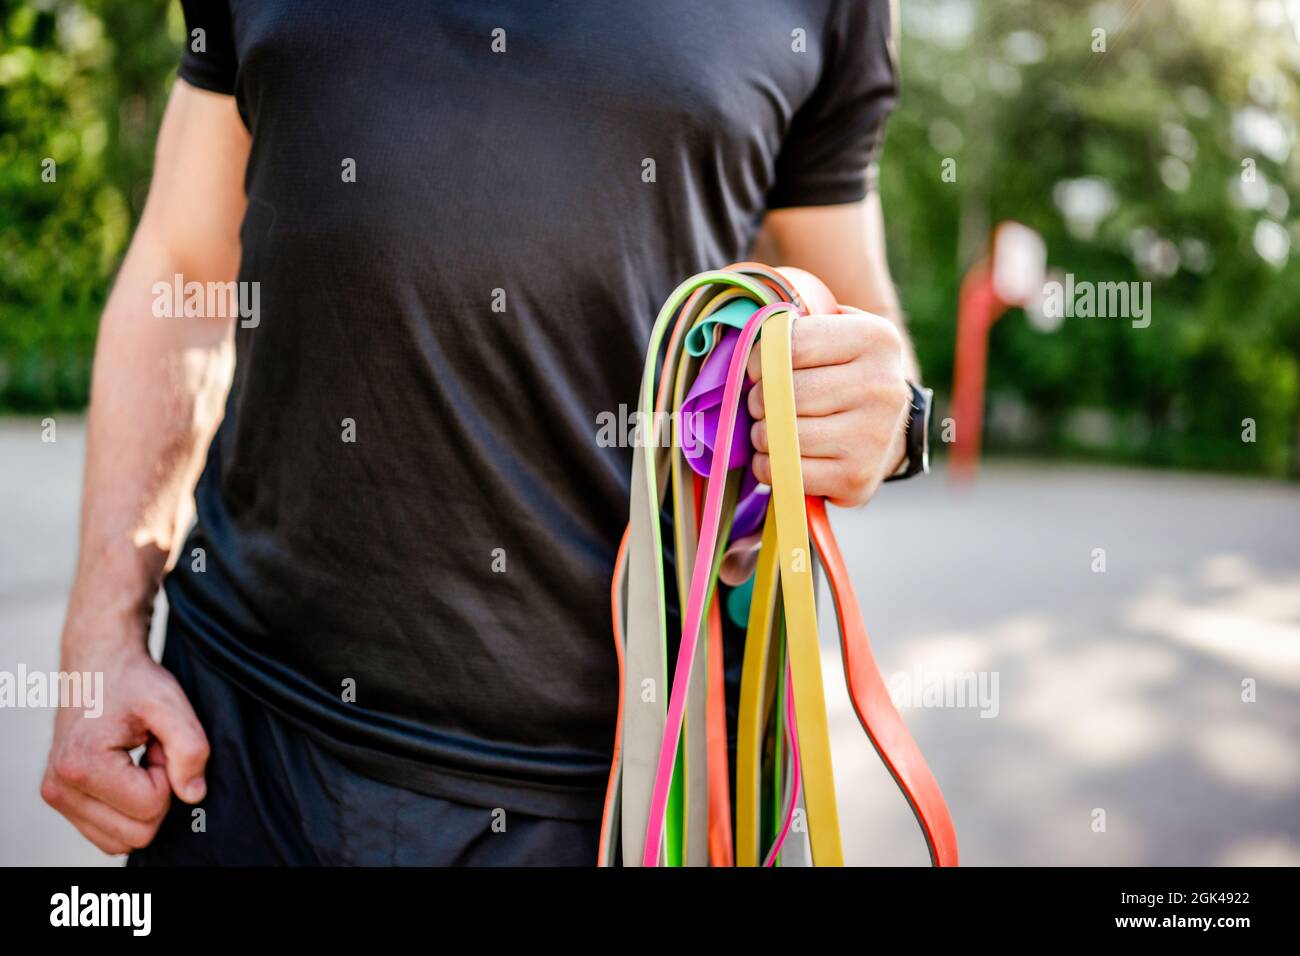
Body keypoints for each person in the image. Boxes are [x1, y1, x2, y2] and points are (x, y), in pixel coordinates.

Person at [41, 0, 920, 865]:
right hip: (234, 745)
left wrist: (893, 420)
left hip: (614, 792)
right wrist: (98, 641)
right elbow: (184, 273)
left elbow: (857, 316)